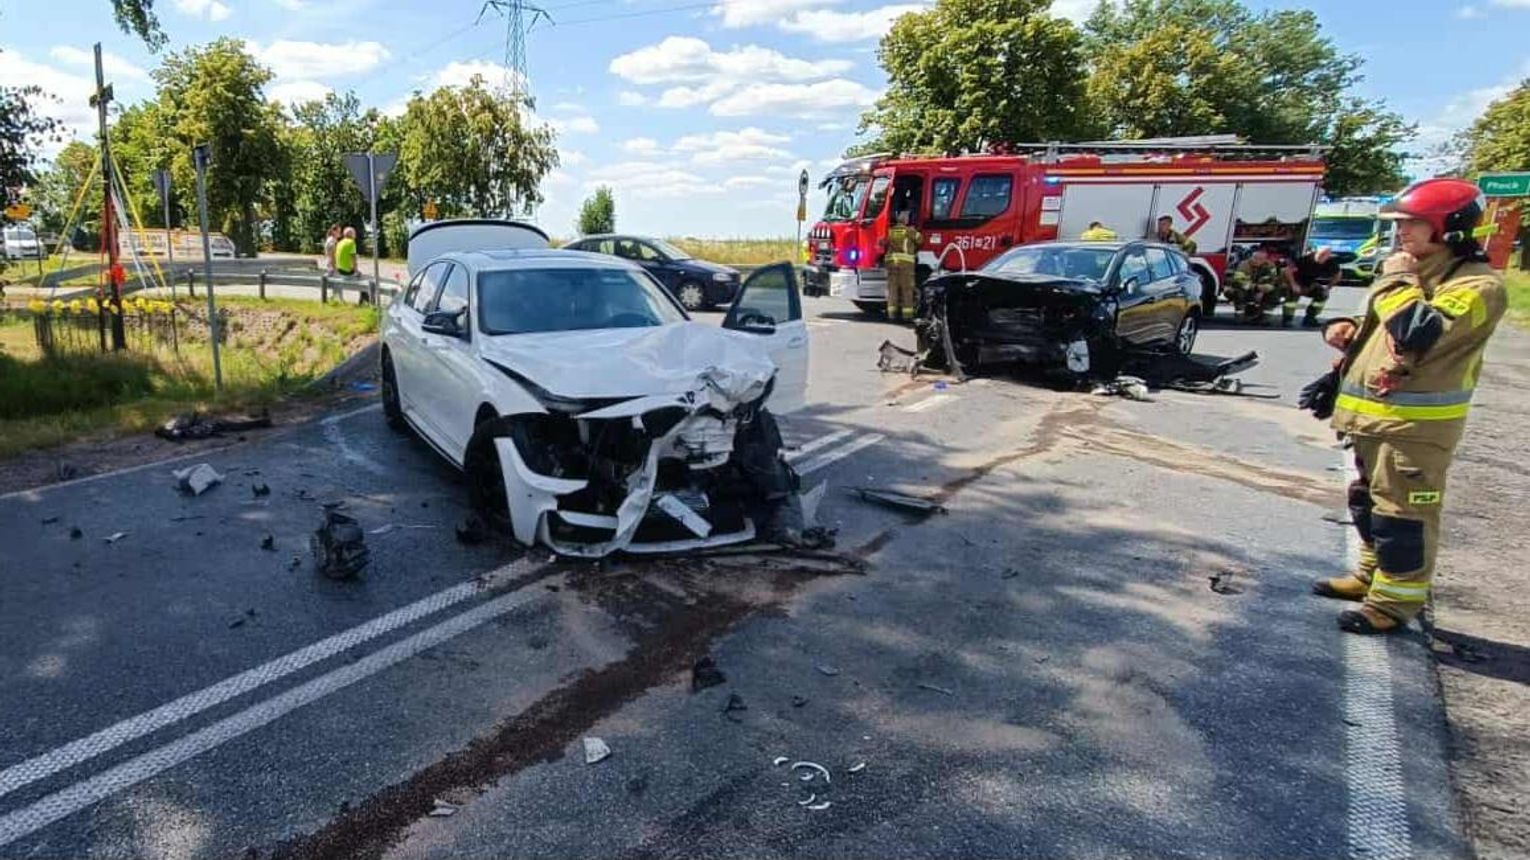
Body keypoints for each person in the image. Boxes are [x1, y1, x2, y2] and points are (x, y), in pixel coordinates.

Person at [1311, 178, 1507, 635]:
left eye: (1413, 223)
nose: (1402, 232)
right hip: (1374, 419)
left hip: (1414, 429)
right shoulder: (1414, 275)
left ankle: (1393, 603)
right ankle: (1368, 576)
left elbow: (1417, 331)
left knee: (1403, 516)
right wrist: (1343, 330)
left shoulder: (1479, 286)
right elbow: (1378, 327)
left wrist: (1397, 279)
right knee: (1368, 503)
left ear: (1448, 227)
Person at [1283, 246, 1341, 327]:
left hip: (1310, 284)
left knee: (1322, 294)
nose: (1321, 257)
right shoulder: (1304, 260)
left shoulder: (1330, 262)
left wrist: (1328, 288)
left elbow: (1338, 275)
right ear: (1315, 253)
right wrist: (1293, 285)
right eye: (1320, 255)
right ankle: (1287, 320)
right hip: (1296, 282)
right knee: (1291, 299)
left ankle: (1310, 318)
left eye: (1325, 255)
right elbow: (1287, 271)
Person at [1224, 248, 1282, 324]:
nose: (1256, 260)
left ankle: (1265, 318)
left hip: (1261, 289)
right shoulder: (1244, 265)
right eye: (1255, 258)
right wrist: (1256, 288)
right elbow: (1239, 281)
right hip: (1243, 289)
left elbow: (1272, 280)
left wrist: (1263, 290)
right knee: (1239, 292)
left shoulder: (1270, 266)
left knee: (1275, 291)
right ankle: (1240, 317)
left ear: (1265, 260)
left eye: (1260, 259)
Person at [885, 209, 922, 323]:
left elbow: (884, 243)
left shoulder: (890, 231)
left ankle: (892, 315)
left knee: (893, 289)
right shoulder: (909, 230)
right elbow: (920, 240)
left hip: (891, 263)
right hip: (906, 264)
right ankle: (907, 316)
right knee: (907, 289)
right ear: (906, 220)